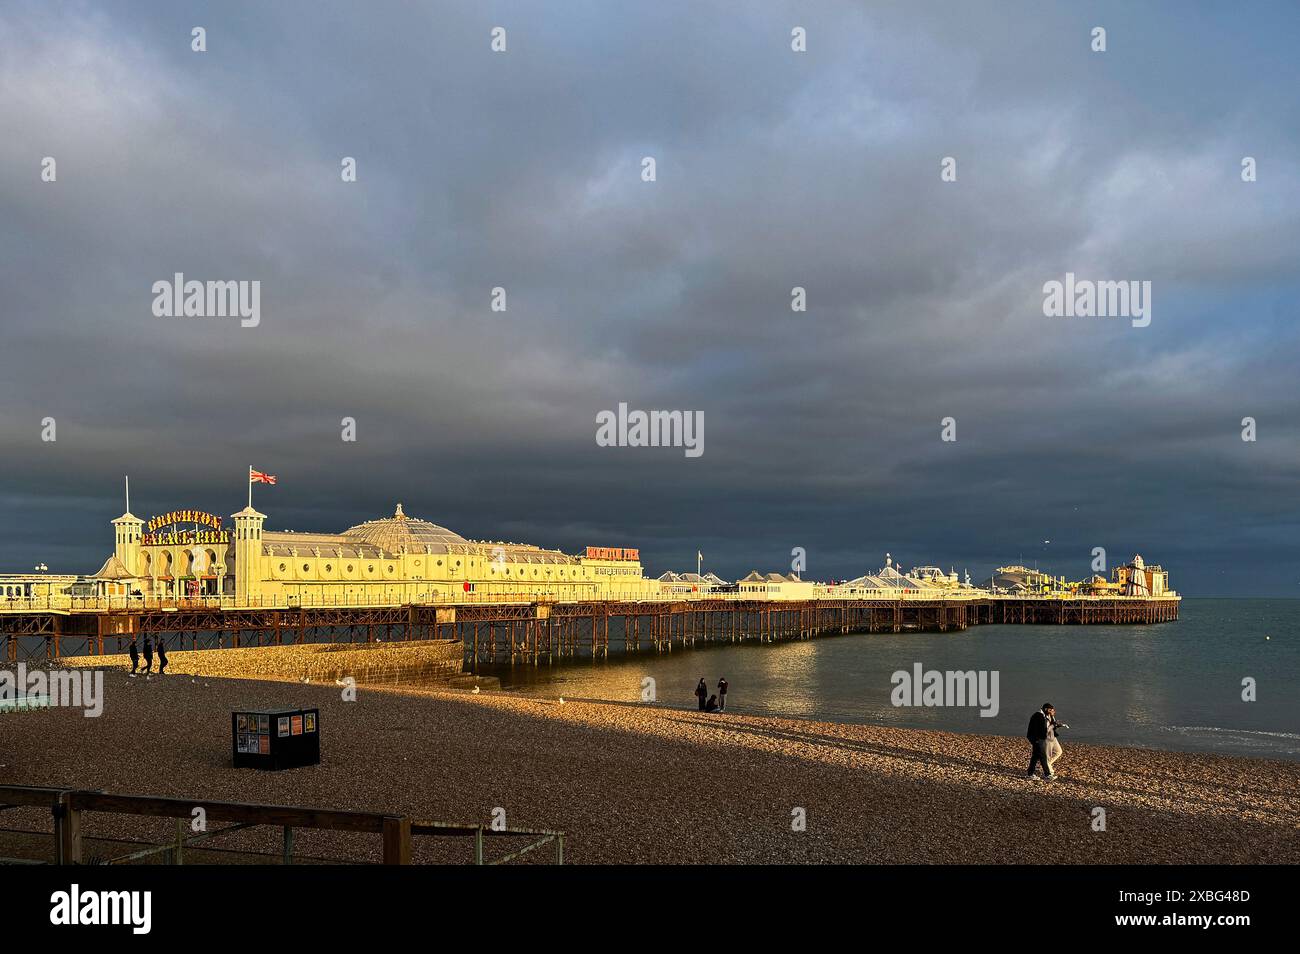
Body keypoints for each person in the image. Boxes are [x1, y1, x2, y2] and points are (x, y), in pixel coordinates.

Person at [1026, 703, 1057, 780]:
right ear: (1045, 709)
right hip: (1037, 739)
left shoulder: (1042, 715)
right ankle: (1047, 775)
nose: (1050, 712)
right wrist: (1053, 726)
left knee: (1035, 757)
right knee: (1043, 756)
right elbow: (1041, 730)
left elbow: (1042, 729)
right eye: (1050, 710)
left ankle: (1030, 774)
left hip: (1036, 738)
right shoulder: (1038, 716)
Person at [1046, 709, 1069, 774]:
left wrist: (1060, 725)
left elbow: (1054, 726)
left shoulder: (1052, 717)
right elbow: (1047, 729)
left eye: (1054, 710)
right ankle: (1048, 770)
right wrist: (1054, 724)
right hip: (1048, 739)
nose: (1054, 712)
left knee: (1059, 751)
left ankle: (1047, 764)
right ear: (1048, 711)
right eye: (1052, 711)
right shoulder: (1045, 719)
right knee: (1048, 755)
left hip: (1053, 737)